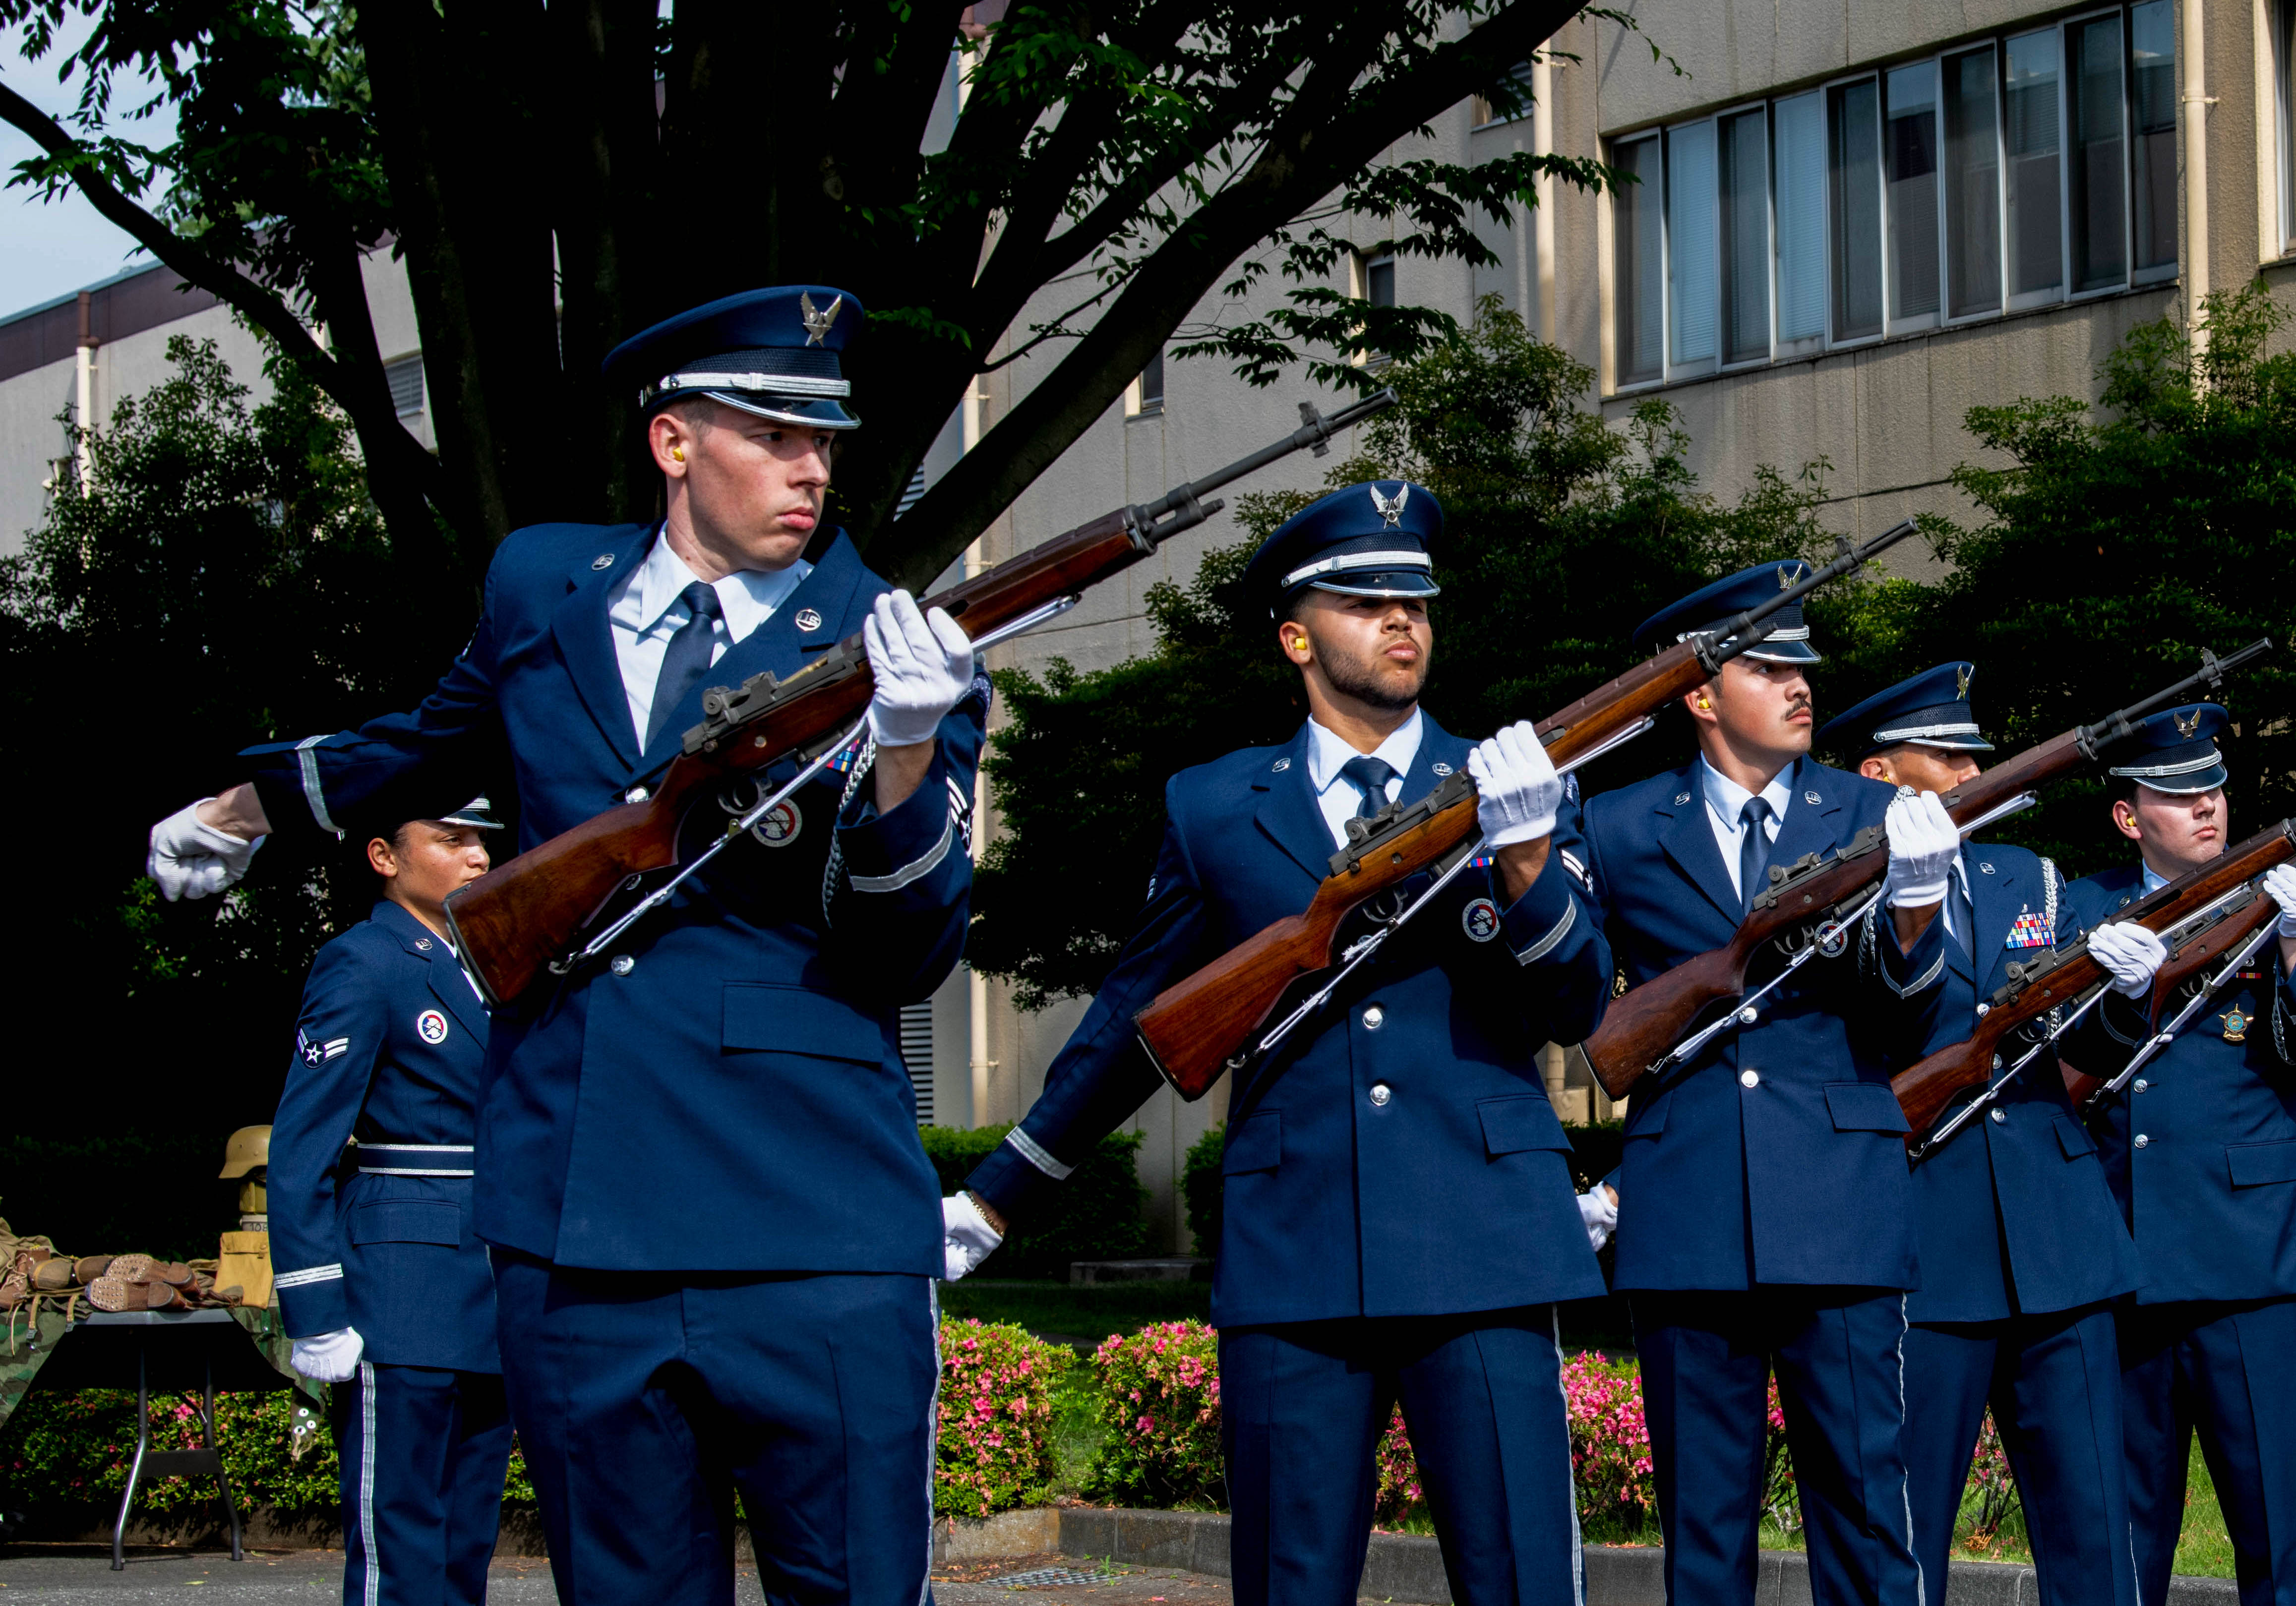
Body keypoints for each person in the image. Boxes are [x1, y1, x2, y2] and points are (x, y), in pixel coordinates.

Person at [145, 286, 987, 1606]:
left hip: (810, 1222)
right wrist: (246, 807)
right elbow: (423, 742)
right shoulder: (546, 585)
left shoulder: (892, 648)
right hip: (578, 1218)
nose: (810, 466)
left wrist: (907, 752)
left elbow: (910, 945)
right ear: (672, 444)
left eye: (824, 439)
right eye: (770, 432)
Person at [952, 482, 1611, 1606]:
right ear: (1297, 636)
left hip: (1486, 1239)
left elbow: (1577, 1004)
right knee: (1287, 1583)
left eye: (1417, 601)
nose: (1402, 620)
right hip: (1297, 1243)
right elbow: (1135, 1020)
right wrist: (1000, 1193)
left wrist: (1529, 860)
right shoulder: (1216, 805)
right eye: (1366, 601)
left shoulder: (1516, 784)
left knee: (1522, 1582)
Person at [1574, 568, 1957, 1606]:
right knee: (1703, 1530)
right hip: (1688, 1203)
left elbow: (1914, 1020)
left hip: (1839, 1207)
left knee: (1870, 1516)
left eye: (1804, 669)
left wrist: (1917, 917)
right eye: (1767, 668)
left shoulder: (1880, 812)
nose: (1800, 687)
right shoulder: (1614, 825)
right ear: (1700, 696)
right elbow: (1570, 1001)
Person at [1818, 665, 2137, 1606]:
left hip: (2056, 1241)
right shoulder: (1835, 897)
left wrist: (2124, 994)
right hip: (1924, 1243)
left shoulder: (2027, 874)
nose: (1971, 774)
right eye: (1946, 758)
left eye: (1974, 758)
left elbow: (2086, 1049)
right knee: (1907, 1533)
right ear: (1879, 775)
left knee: (2091, 1531)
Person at [2066, 704, 2296, 1606]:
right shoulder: (2080, 911)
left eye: (2215, 790)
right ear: (2128, 816)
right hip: (2121, 1258)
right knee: (2123, 1535)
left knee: (2274, 1529)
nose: (2206, 808)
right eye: (2177, 795)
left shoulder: (2289, 899)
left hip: (2249, 1259)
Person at [270, 798, 513, 1606]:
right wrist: (314, 1308)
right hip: (400, 1287)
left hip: (488, 1280)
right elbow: (302, 1149)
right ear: (384, 856)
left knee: (466, 1542)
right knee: (398, 1541)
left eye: (480, 840)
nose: (476, 856)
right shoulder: (365, 961)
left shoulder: (489, 957)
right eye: (451, 840)